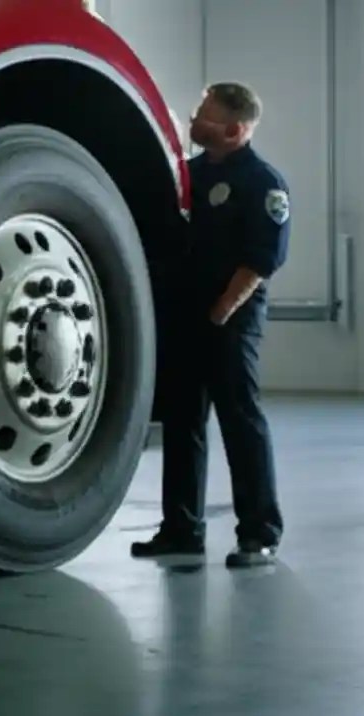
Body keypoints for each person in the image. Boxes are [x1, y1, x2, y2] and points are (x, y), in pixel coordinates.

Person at [132, 82, 289, 568]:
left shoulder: (263, 182)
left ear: (234, 129)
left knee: (240, 421)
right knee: (182, 425)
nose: (194, 121)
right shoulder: (190, 175)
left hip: (229, 319)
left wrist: (222, 311)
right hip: (182, 319)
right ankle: (181, 529)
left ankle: (259, 534)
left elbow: (263, 259)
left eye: (204, 115)